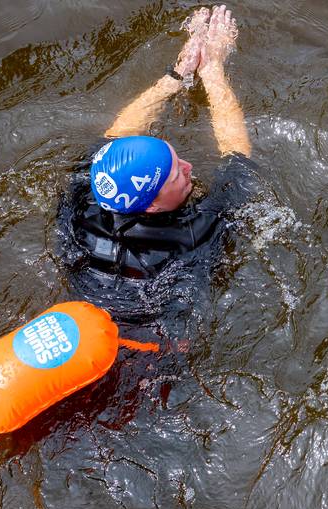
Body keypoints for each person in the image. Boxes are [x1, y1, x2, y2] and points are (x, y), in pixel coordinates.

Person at [57, 5, 276, 320]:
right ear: (151, 207)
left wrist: (178, 74)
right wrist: (213, 70)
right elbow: (237, 156)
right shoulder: (191, 233)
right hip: (149, 339)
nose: (188, 167)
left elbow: (118, 135)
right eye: (176, 175)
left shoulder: (85, 194)